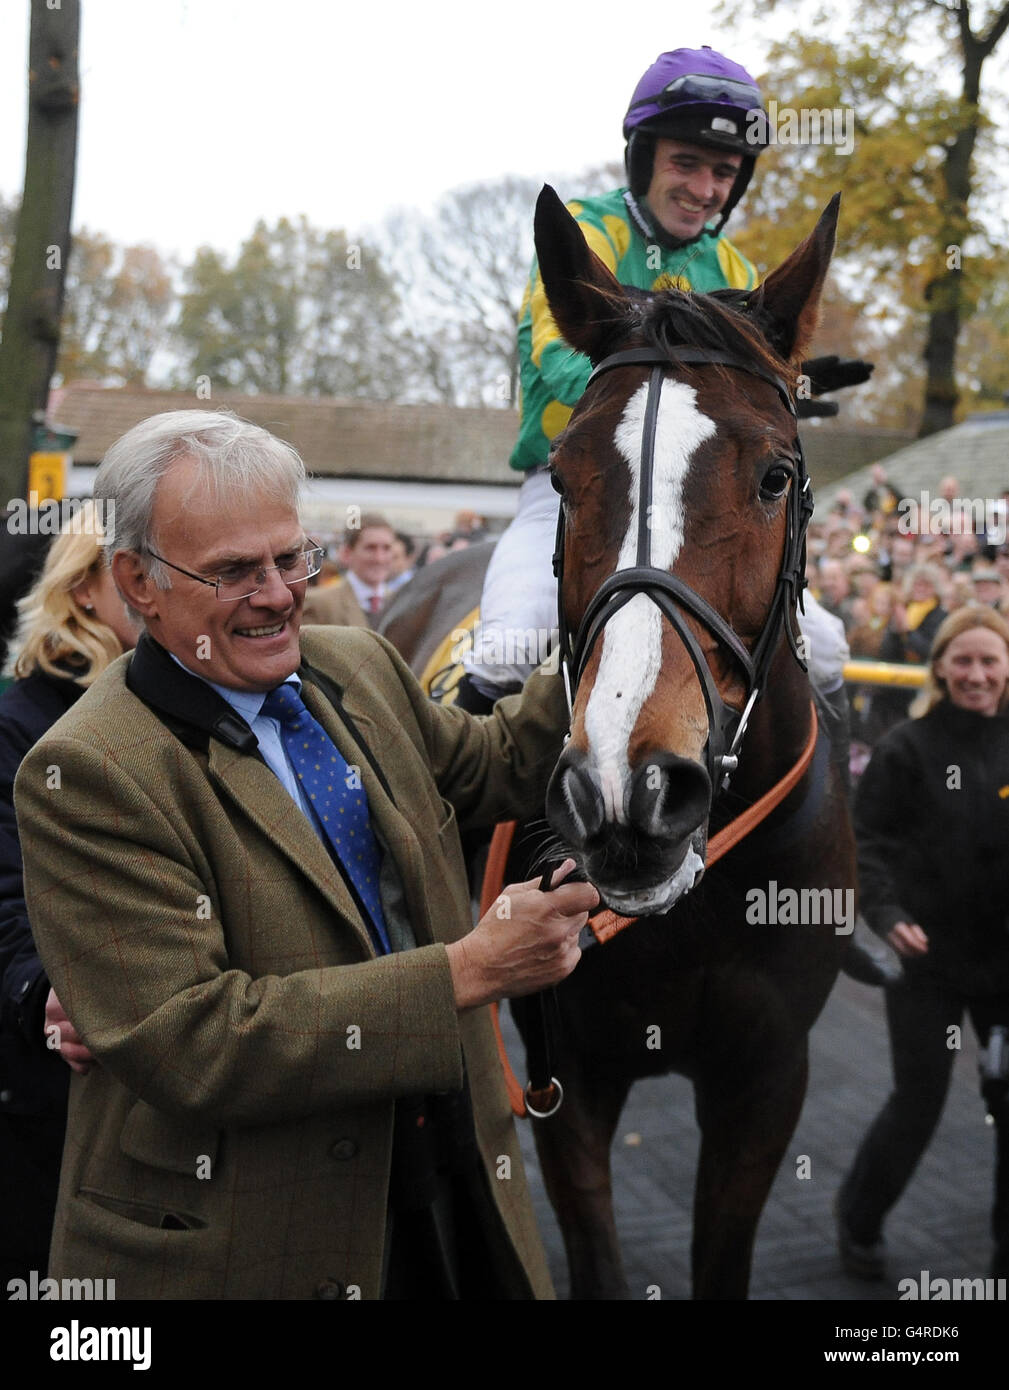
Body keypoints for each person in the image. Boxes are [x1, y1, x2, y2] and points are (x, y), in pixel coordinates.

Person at [14, 411, 597, 1300]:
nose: (281, 593)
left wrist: (622, 638)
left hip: (453, 1175)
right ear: (137, 581)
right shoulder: (88, 769)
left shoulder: (355, 665)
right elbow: (195, 1043)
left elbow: (496, 764)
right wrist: (469, 971)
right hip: (254, 1238)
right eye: (234, 571)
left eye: (292, 558)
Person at [459, 44, 870, 710]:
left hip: (703, 499)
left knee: (822, 651)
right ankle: (448, 799)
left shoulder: (736, 270)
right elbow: (559, 362)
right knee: (513, 643)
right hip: (579, 490)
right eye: (685, 162)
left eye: (722, 172)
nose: (704, 189)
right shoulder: (587, 233)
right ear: (644, 156)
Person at [836, 607, 1009, 1280]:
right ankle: (857, 1222)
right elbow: (867, 843)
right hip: (928, 962)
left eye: (988, 660)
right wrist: (882, 909)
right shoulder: (905, 749)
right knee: (918, 1102)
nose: (975, 674)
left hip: (1004, 969)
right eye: (961, 661)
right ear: (938, 667)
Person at [0, 503, 138, 1285]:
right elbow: (6, 902)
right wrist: (41, 994)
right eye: (134, 571)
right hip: (54, 1092)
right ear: (84, 587)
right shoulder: (24, 724)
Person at [301, 513, 395, 627]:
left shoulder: (400, 602)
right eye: (370, 548)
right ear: (347, 553)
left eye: (387, 548)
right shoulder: (319, 604)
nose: (379, 558)